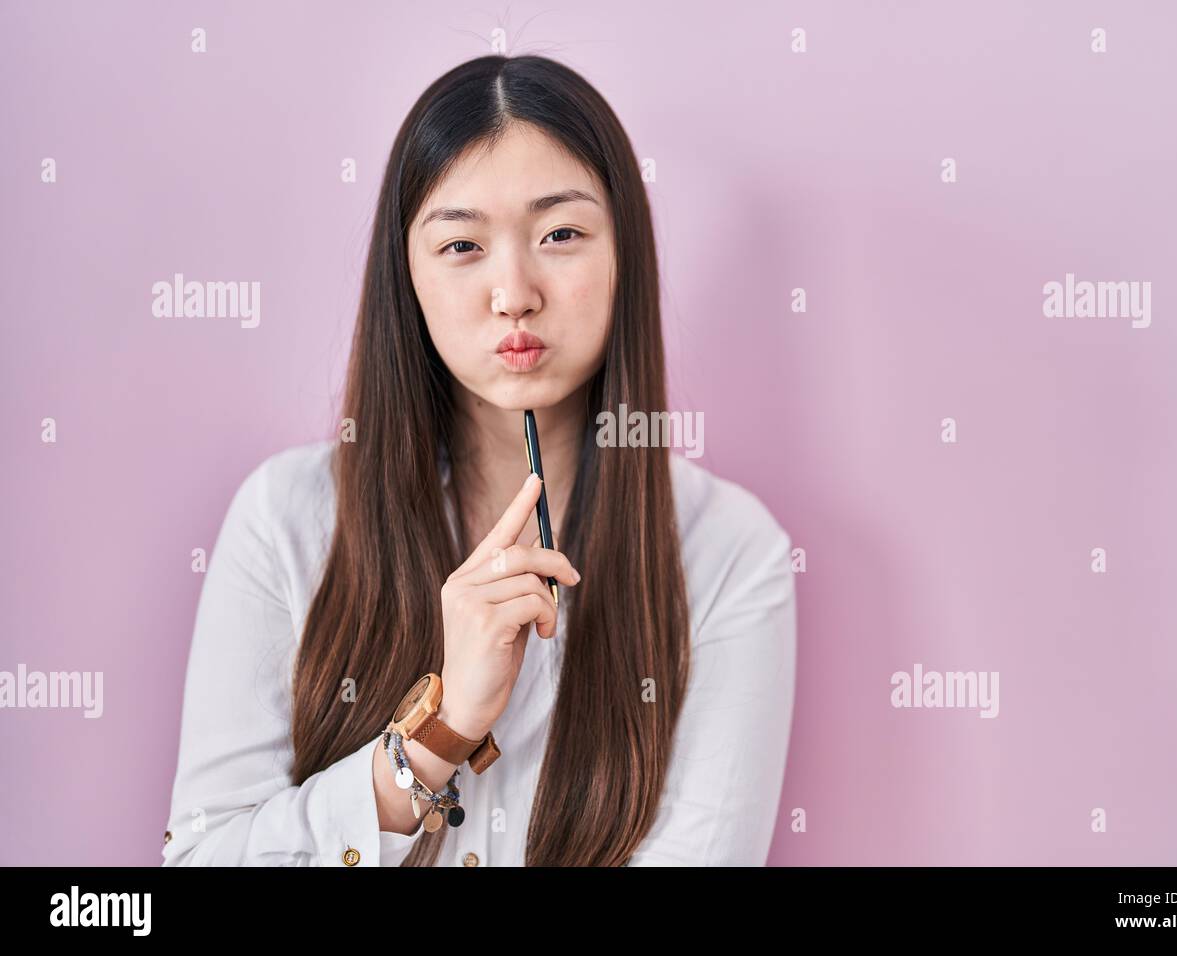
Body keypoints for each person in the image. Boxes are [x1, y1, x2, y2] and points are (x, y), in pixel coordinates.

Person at [161, 54, 796, 867]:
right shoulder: (285, 517)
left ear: (624, 255)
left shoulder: (728, 551)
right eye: (462, 243)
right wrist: (442, 730)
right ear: (407, 275)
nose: (514, 292)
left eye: (561, 235)